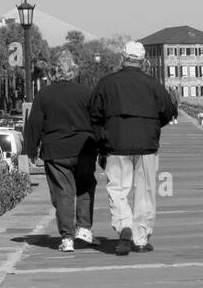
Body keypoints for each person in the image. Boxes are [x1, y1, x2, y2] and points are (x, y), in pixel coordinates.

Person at [89, 41, 177, 256]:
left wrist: (102, 143)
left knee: (118, 189)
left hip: (116, 144)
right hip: (147, 144)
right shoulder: (153, 84)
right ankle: (140, 237)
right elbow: (167, 111)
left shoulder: (107, 84)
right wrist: (153, 127)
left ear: (123, 59)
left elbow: (94, 115)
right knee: (145, 191)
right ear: (143, 61)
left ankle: (124, 225)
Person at [22, 63, 98, 253]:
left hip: (55, 150)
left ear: (54, 72)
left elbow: (34, 125)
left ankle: (67, 238)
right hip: (84, 148)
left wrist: (30, 150)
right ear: (74, 72)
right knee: (86, 186)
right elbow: (97, 120)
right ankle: (84, 229)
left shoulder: (44, 95)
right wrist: (102, 147)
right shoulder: (86, 93)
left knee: (63, 193)